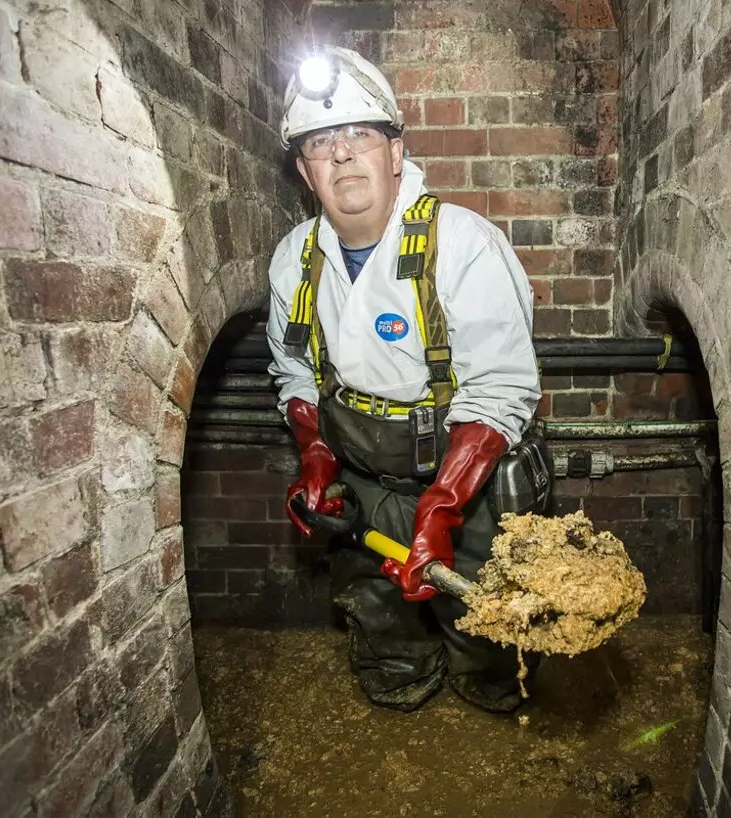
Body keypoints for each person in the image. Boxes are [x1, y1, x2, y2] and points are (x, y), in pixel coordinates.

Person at [265, 47, 542, 713]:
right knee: (374, 593)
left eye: (359, 134)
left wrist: (442, 508)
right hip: (363, 465)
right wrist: (317, 453)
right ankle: (401, 672)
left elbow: (502, 386)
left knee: (485, 612)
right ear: (304, 170)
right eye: (320, 143)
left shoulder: (462, 242)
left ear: (395, 152)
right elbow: (294, 370)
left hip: (459, 469)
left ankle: (487, 683)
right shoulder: (294, 260)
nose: (340, 155)